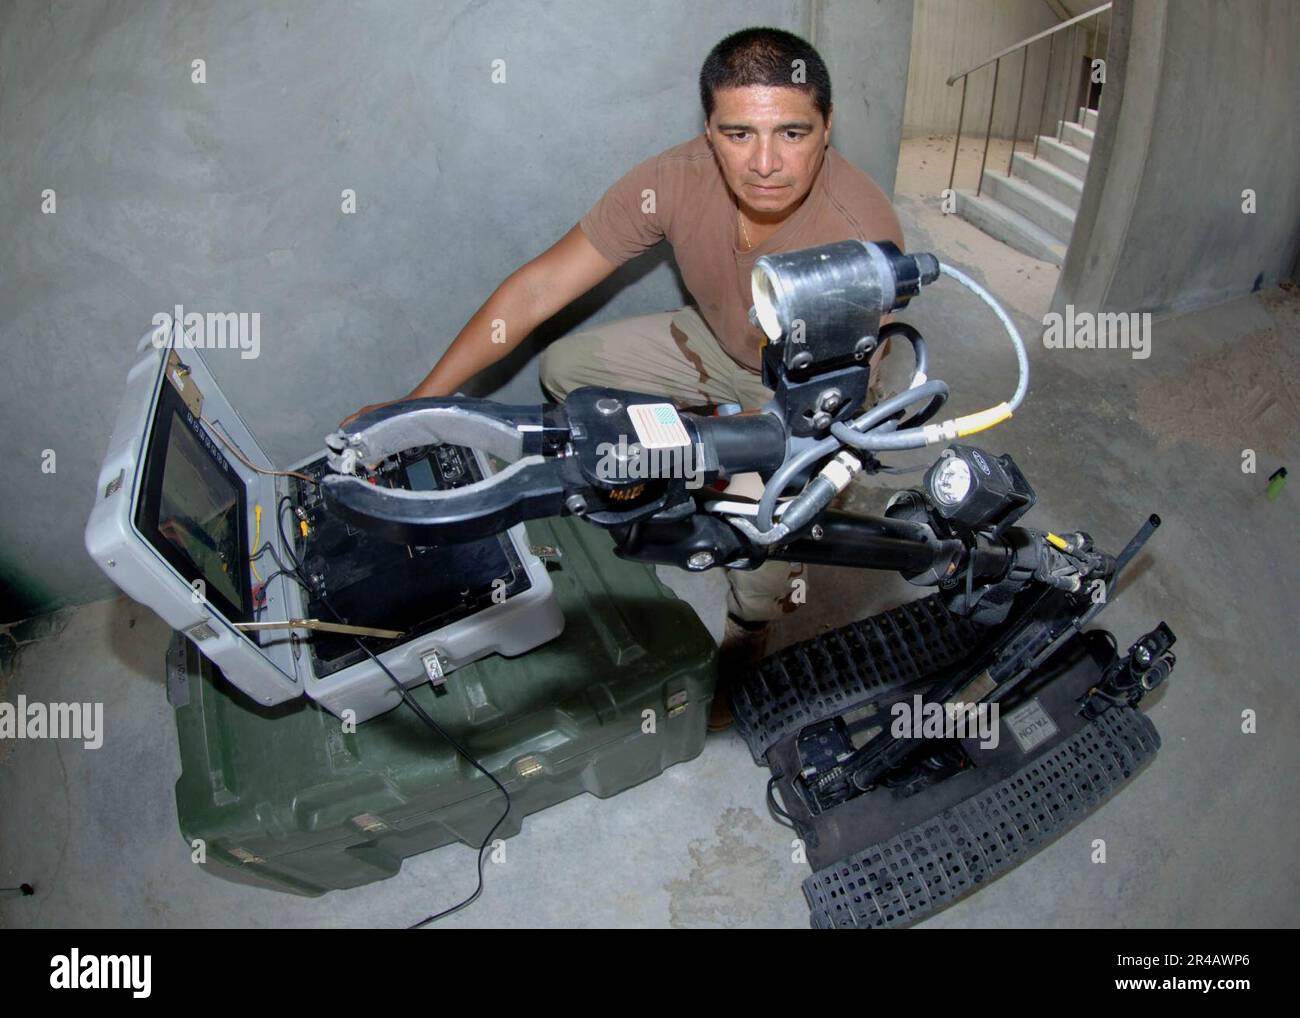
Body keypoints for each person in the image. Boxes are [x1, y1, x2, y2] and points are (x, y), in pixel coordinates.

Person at [344, 27, 905, 730]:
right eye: (738, 134)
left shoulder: (861, 235)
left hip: (804, 393)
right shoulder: (671, 180)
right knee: (565, 371)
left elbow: (817, 419)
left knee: (761, 524)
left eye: (792, 133)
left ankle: (750, 633)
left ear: (827, 129)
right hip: (710, 343)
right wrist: (420, 406)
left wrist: (715, 457)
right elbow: (538, 289)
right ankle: (657, 483)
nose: (765, 163)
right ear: (709, 132)